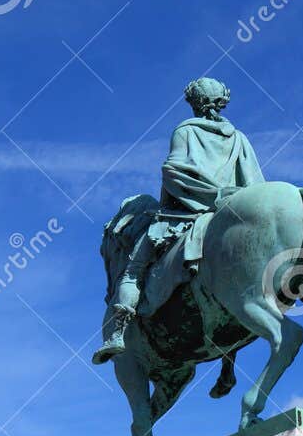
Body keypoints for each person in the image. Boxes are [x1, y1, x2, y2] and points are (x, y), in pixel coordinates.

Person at [92, 77, 265, 364]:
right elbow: (255, 184)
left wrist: (193, 197)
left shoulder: (185, 131)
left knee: (133, 270)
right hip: (232, 210)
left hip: (185, 214)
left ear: (193, 103)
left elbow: (173, 172)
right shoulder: (239, 137)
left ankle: (117, 333)